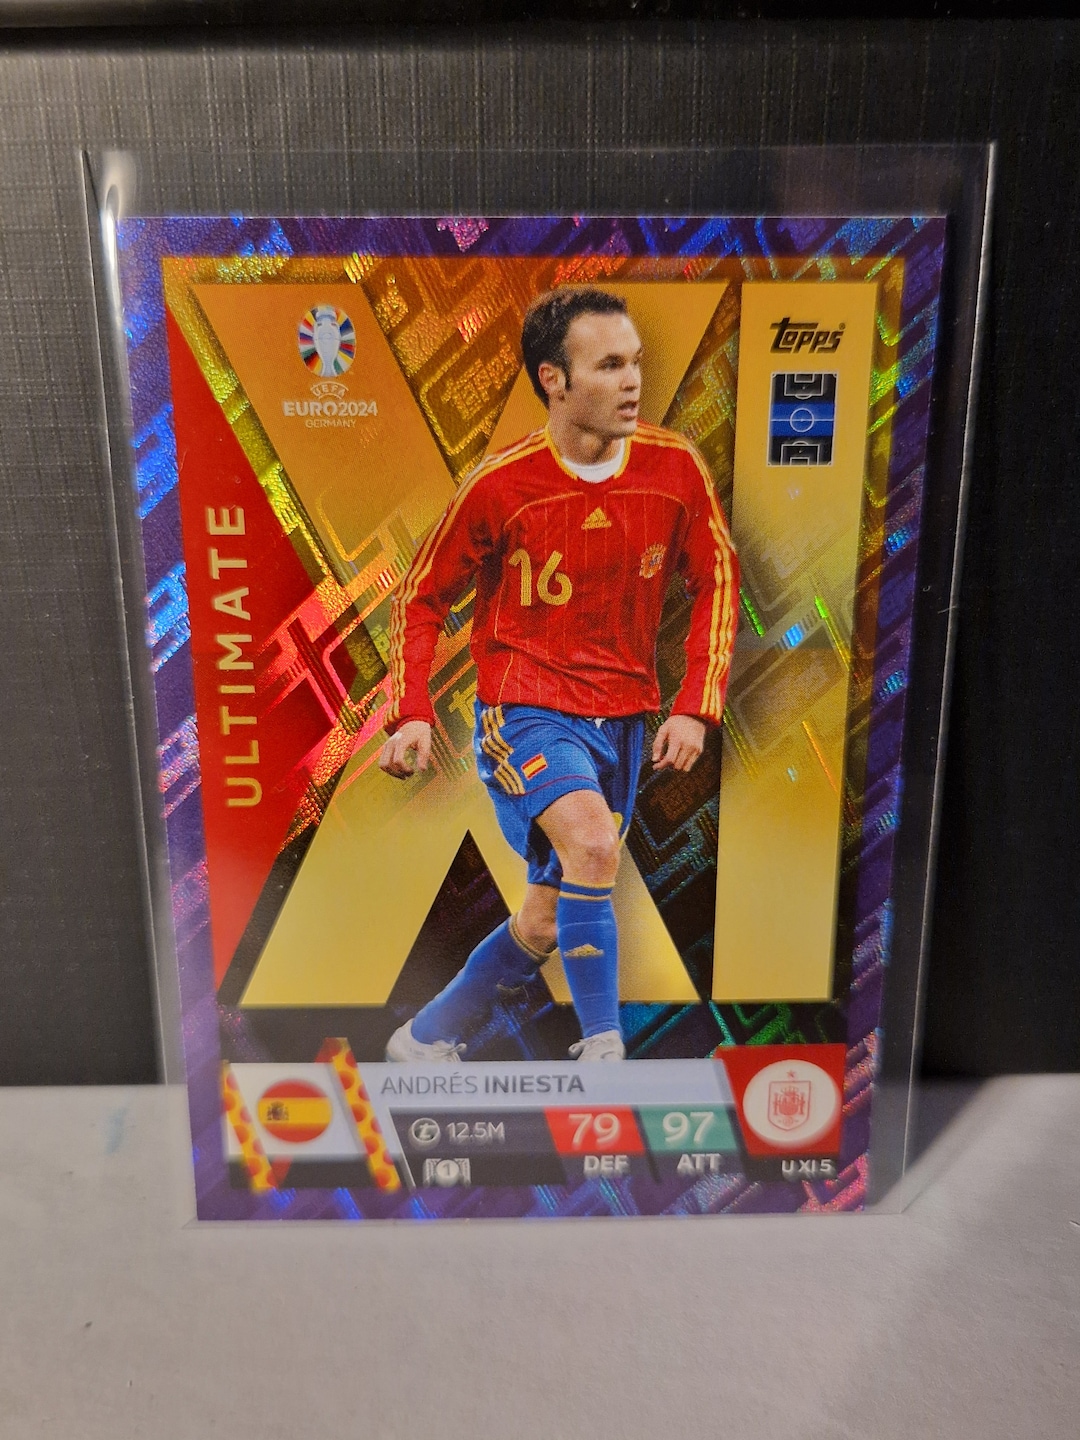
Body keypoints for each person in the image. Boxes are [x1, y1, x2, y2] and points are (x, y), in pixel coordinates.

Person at [379, 287, 738, 1062]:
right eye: (608, 366)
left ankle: (423, 1036)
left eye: (635, 362)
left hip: (625, 720)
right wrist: (410, 710)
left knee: (545, 920)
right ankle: (605, 1049)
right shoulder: (500, 486)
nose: (632, 381)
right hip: (526, 711)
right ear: (553, 379)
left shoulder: (674, 468)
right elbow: (420, 596)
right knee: (594, 847)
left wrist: (695, 704)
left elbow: (718, 578)